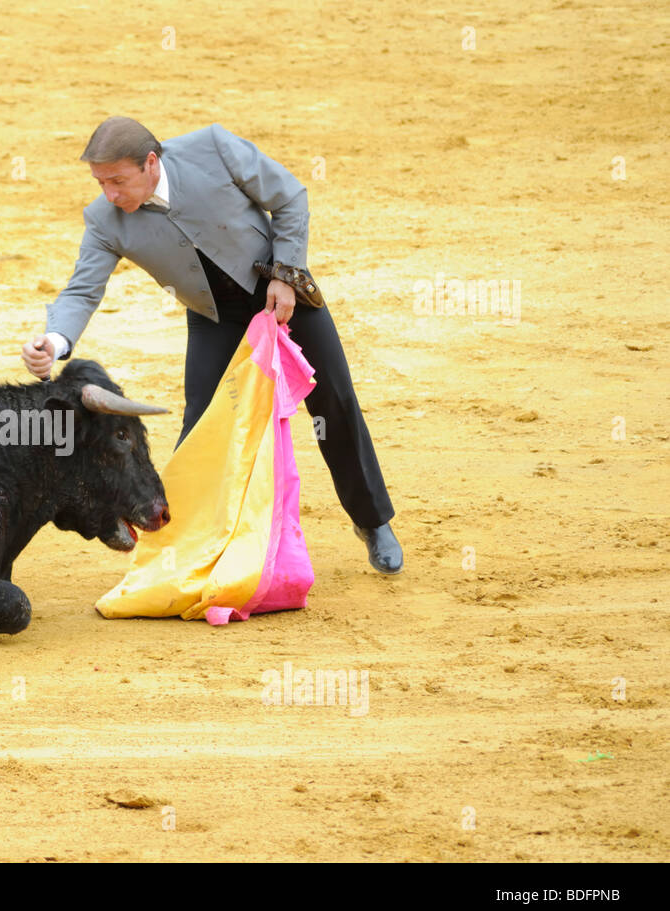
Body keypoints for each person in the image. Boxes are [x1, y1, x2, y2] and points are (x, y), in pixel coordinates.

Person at [21, 117, 403, 574]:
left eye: (118, 181)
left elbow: (290, 198)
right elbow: (83, 290)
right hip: (214, 318)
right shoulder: (104, 220)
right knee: (201, 424)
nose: (110, 195)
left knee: (332, 406)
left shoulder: (215, 149)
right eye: (100, 182)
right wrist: (56, 340)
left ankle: (372, 521)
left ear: (150, 163)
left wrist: (286, 274)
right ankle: (185, 544)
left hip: (283, 295)